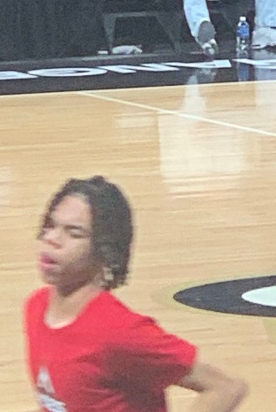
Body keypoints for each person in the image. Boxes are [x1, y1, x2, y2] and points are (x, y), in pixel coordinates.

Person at [26, 175, 248, 412]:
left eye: (74, 233)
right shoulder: (37, 307)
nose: (52, 239)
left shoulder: (118, 331)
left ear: (105, 250)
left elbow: (225, 387)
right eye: (51, 225)